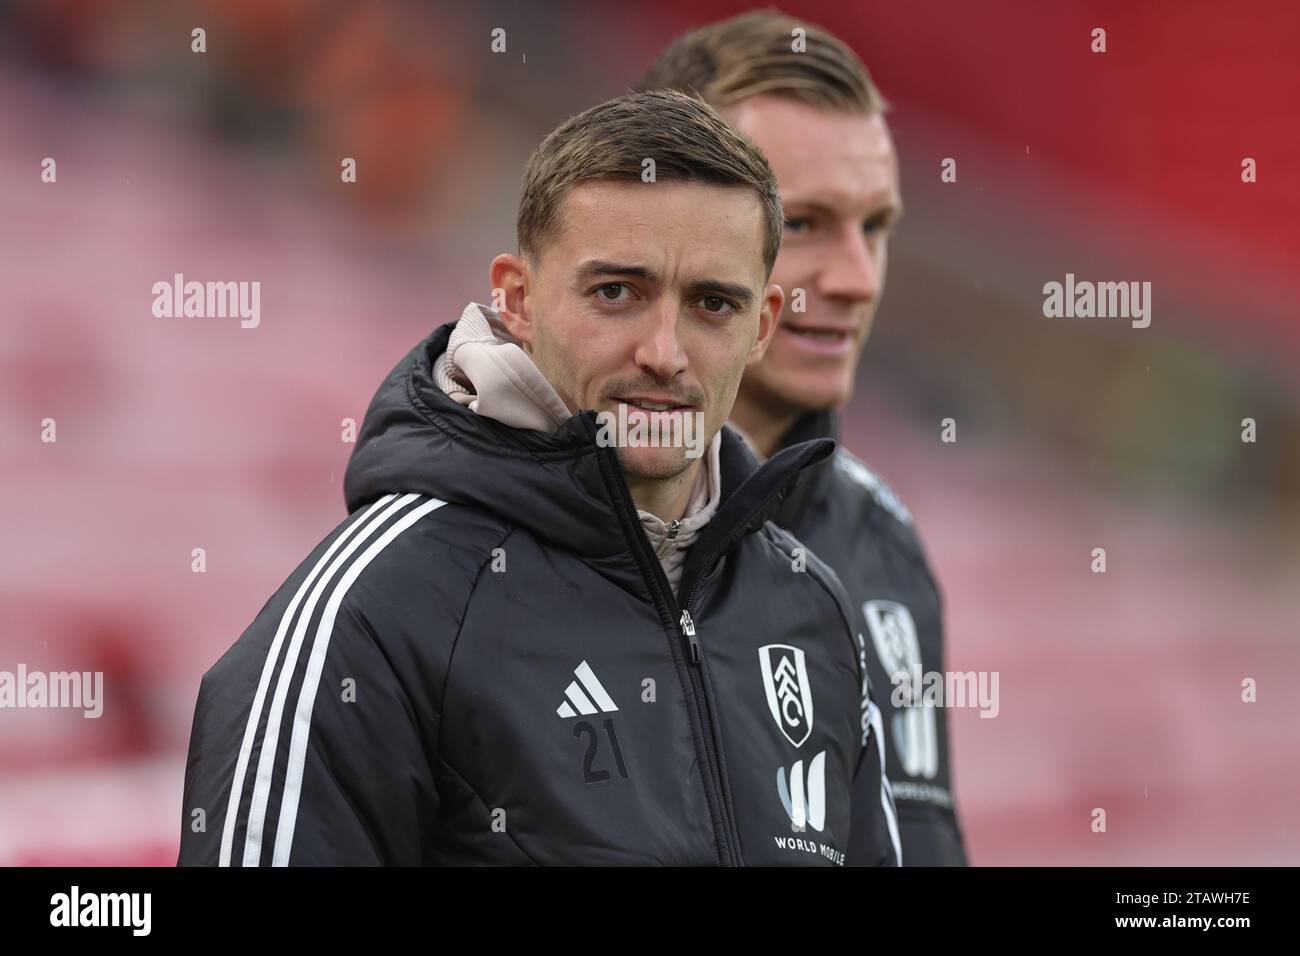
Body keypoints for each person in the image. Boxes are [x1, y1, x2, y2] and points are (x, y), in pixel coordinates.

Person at [178, 89, 899, 866]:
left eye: (712, 304)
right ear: (517, 301)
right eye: (616, 292)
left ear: (761, 326)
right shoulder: (371, 611)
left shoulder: (812, 610)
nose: (665, 351)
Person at [639, 10, 969, 865]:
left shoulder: (881, 542)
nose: (858, 279)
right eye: (809, 225)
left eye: (876, 228)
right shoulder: (496, 538)